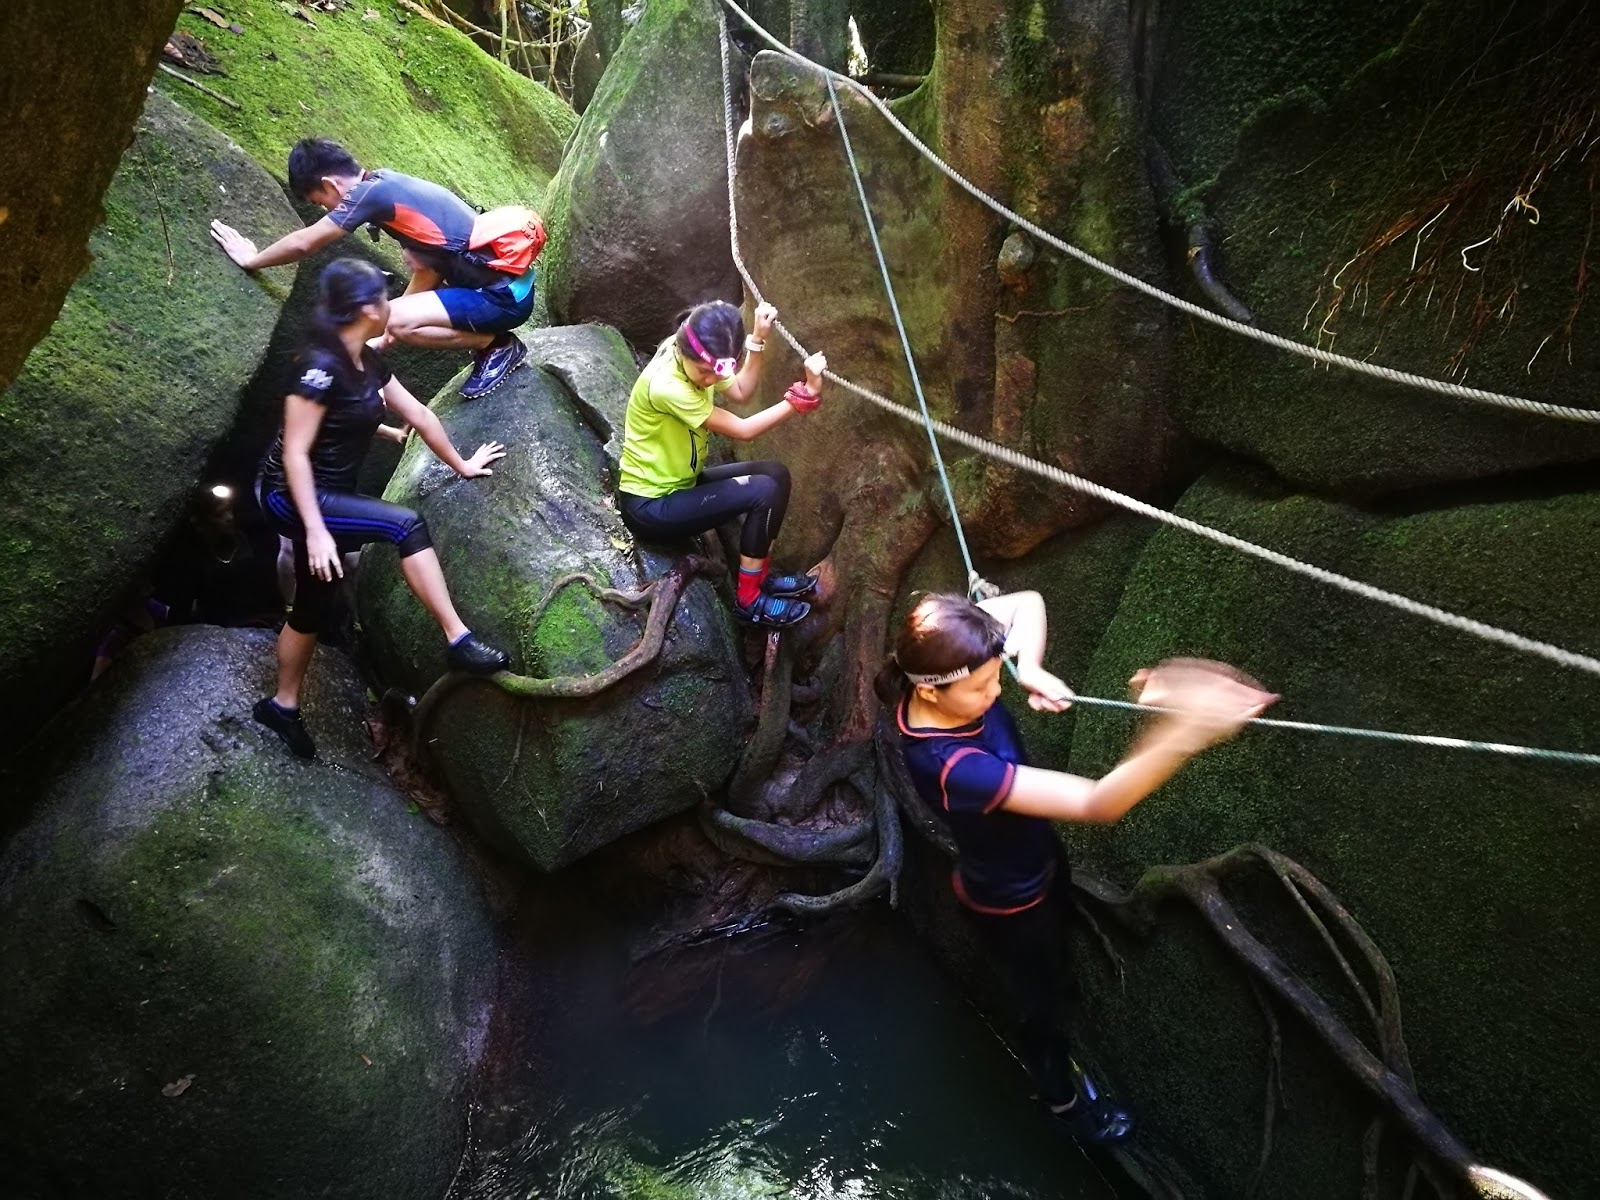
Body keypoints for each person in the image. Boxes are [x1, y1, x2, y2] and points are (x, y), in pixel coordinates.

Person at [880, 590, 1278, 1144]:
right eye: (982, 688)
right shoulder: (952, 766)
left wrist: (1031, 670)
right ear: (929, 687)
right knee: (1041, 1009)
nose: (997, 692)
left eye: (998, 677)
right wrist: (1187, 731)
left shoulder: (952, 654)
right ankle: (1064, 1101)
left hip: (1038, 858)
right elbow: (1099, 804)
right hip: (1009, 902)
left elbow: (1028, 602)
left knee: (1055, 953)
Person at [253, 257, 511, 760]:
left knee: (312, 605)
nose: (392, 304)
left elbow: (416, 412)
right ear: (364, 310)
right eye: (382, 297)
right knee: (405, 525)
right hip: (290, 496)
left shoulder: (366, 362)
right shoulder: (317, 369)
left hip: (325, 496)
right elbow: (295, 455)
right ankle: (457, 639)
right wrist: (317, 530)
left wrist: (462, 464)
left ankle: (281, 707)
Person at [210, 138, 543, 400]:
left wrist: (253, 258)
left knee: (393, 320)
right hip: (510, 292)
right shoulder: (389, 183)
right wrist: (386, 335)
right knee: (392, 321)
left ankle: (494, 345)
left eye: (318, 201)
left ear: (329, 185)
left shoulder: (371, 196)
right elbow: (429, 271)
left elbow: (305, 243)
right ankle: (491, 341)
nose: (324, 209)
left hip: (500, 299)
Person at [616, 299, 825, 627]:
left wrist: (757, 338)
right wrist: (803, 396)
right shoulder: (667, 386)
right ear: (686, 352)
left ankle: (758, 578)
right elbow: (743, 430)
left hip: (683, 482)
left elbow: (741, 390)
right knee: (762, 492)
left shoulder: (701, 355)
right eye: (704, 373)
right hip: (651, 505)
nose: (711, 381)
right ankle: (749, 600)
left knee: (776, 475)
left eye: (718, 373)